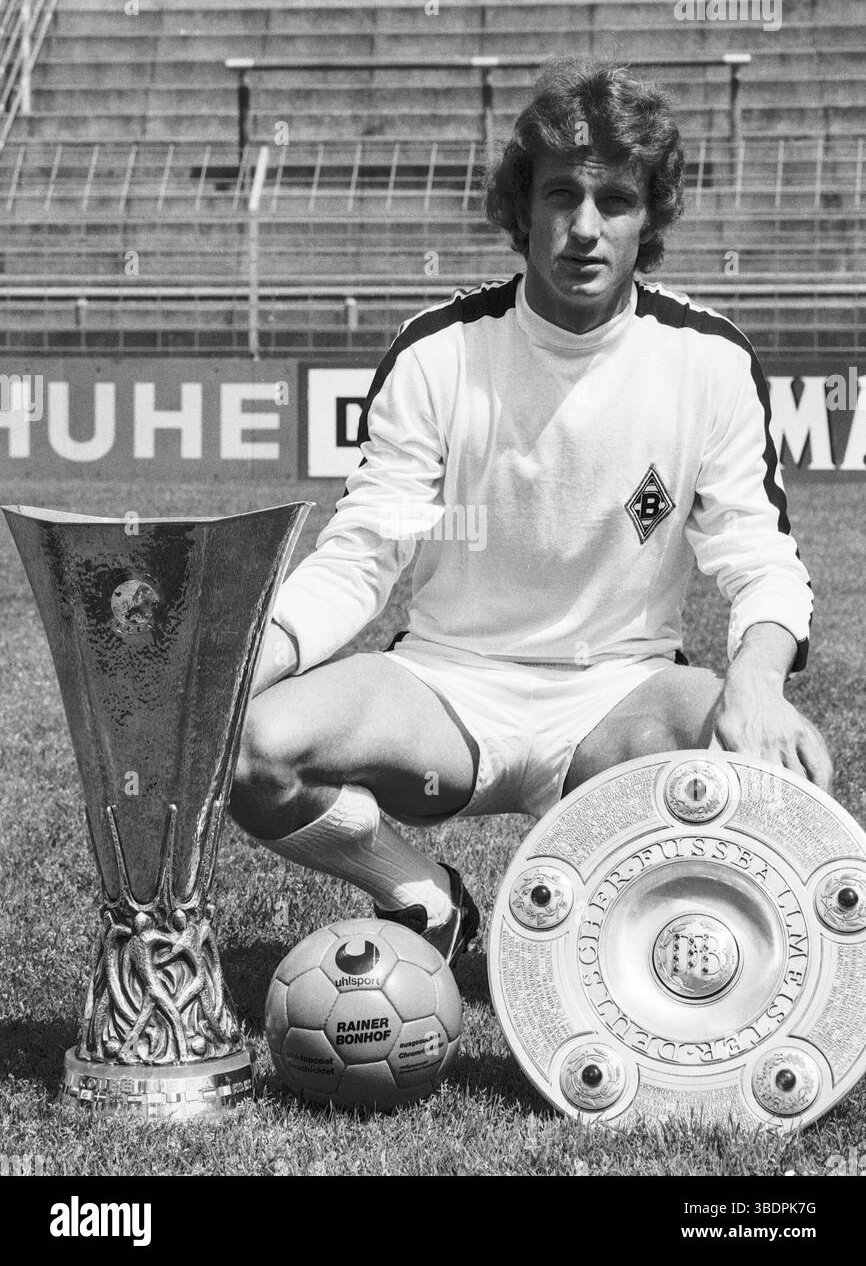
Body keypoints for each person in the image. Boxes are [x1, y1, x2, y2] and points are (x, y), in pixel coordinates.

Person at [229, 60, 832, 966]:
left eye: (616, 201)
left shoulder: (707, 360)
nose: (585, 229)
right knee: (249, 749)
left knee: (780, 773)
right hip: (446, 686)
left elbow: (759, 556)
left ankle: (665, 973)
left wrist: (755, 683)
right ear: (523, 205)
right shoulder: (440, 353)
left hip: (622, 694)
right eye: (562, 195)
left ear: (649, 216)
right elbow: (363, 553)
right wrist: (257, 658)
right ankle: (426, 899)